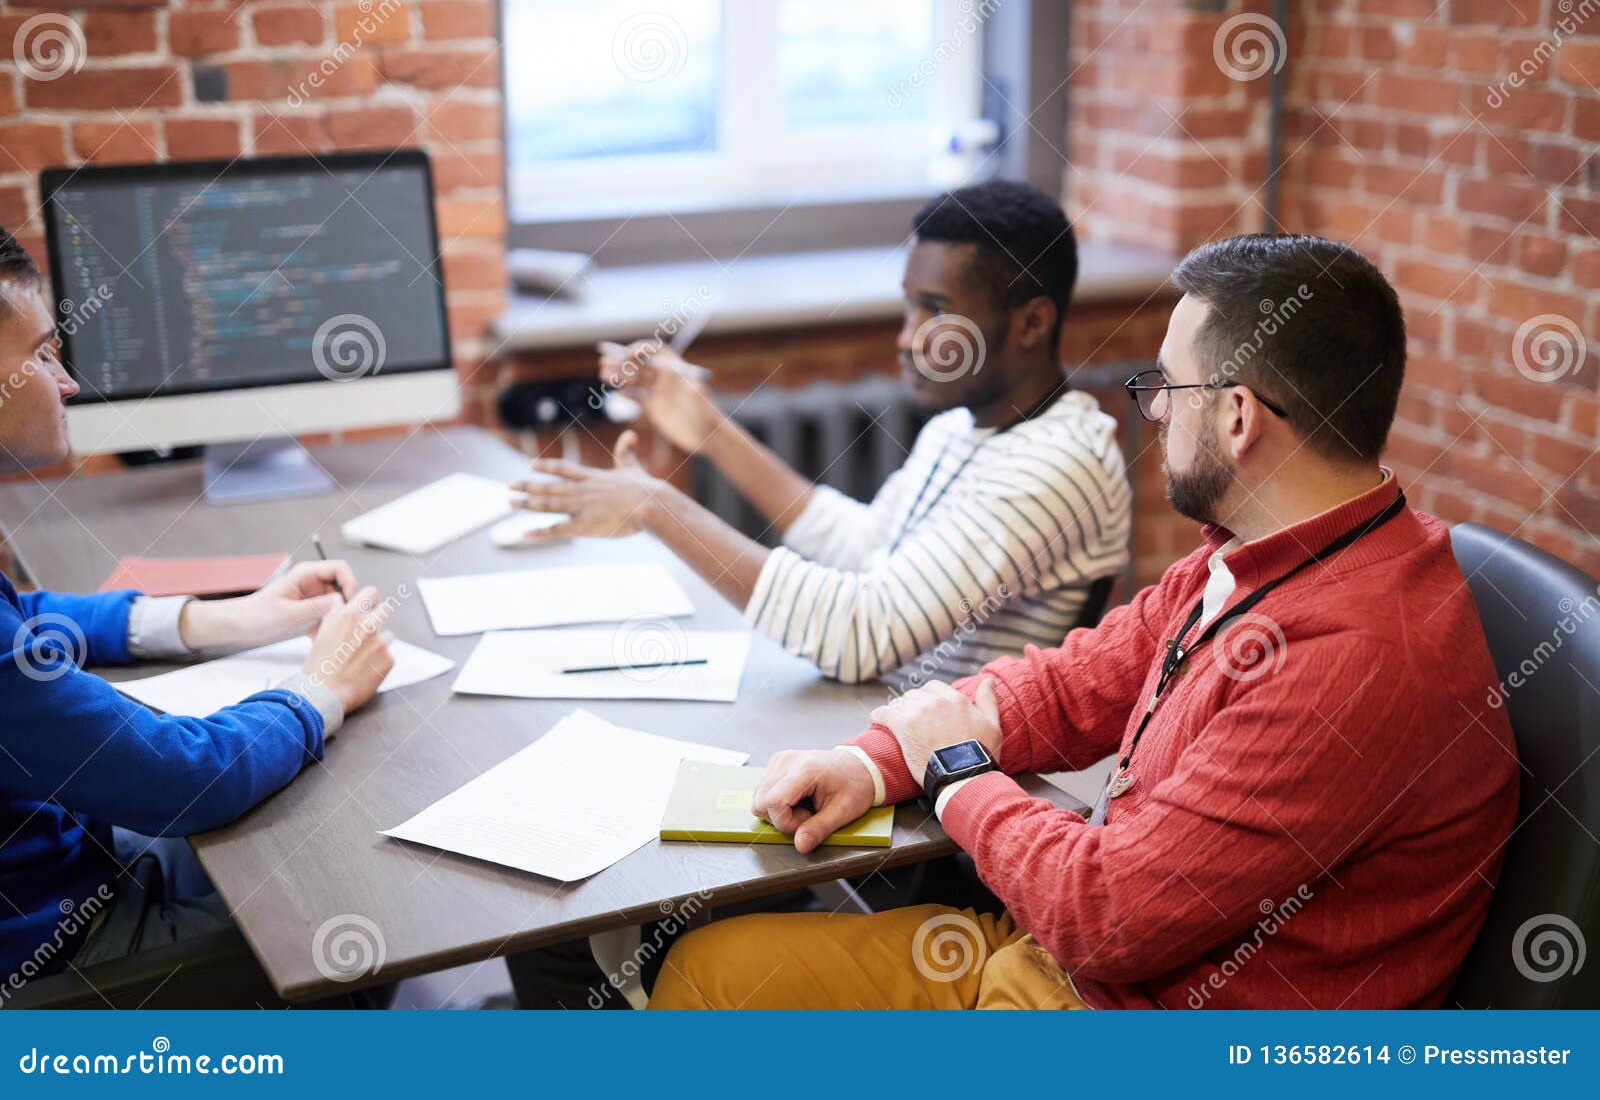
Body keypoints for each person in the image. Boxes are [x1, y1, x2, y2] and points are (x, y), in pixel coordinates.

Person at [646, 233, 1520, 1010]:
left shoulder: (1352, 658)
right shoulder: (1259, 552)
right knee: (711, 970)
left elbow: (1108, 916)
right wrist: (873, 762)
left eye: (1168, 386)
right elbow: (1070, 685)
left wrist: (954, 769)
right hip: (1063, 965)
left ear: (1238, 417)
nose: (1156, 410)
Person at [508, 180, 1131, 687]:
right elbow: (862, 549)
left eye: (936, 310)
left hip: (942, 785)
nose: (906, 337)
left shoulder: (1055, 465)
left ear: (1030, 324)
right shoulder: (961, 429)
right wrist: (714, 433)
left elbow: (861, 634)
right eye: (909, 305)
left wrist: (657, 507)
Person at [0, 226, 397, 991]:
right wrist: (323, 685)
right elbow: (186, 778)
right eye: (43, 355)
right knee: (358, 917)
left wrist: (221, 619)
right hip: (55, 959)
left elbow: (28, 618)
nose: (68, 381)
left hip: (69, 864)